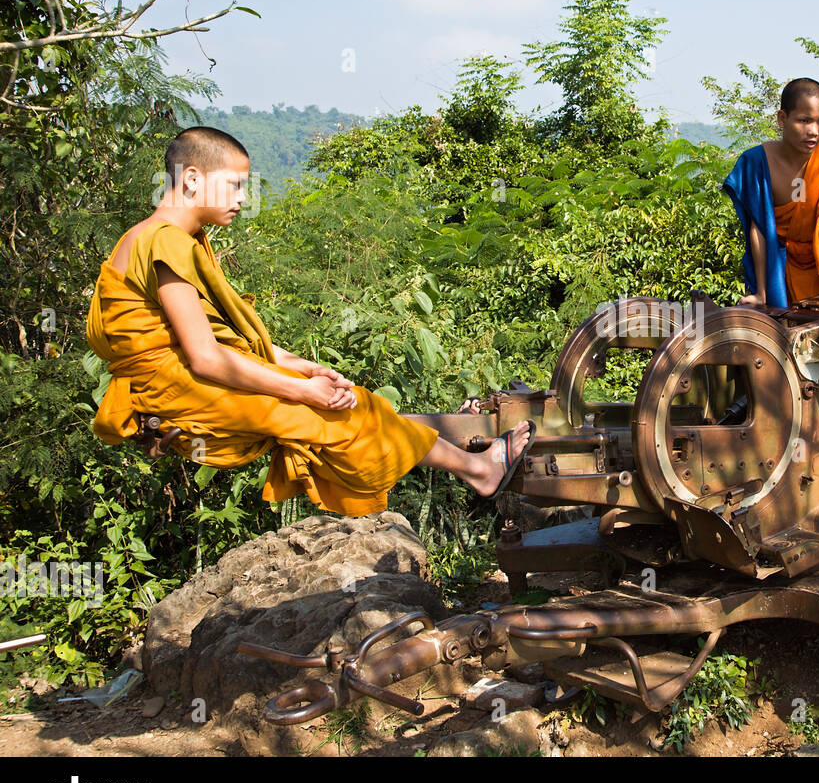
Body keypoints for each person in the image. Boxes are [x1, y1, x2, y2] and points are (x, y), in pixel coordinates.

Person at [86, 127, 533, 517]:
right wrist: (303, 390)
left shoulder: (148, 236)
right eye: (235, 185)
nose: (243, 199)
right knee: (338, 409)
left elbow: (217, 339)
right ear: (191, 179)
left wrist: (301, 366)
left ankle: (474, 466)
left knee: (353, 402)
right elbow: (203, 357)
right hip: (179, 386)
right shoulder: (167, 243)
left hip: (178, 378)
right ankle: (479, 469)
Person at [722, 78, 819, 308]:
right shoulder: (758, 163)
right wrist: (761, 292)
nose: (813, 131)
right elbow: (759, 229)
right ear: (782, 119)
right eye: (804, 120)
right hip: (777, 270)